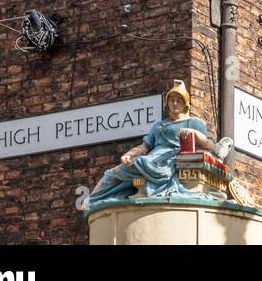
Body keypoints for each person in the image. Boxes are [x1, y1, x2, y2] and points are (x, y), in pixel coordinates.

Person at [88, 80, 229, 205]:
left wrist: (193, 134)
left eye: (178, 100)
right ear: (167, 103)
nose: (174, 103)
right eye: (171, 100)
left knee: (143, 165)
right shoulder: (159, 126)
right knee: (111, 173)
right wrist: (128, 154)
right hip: (150, 158)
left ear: (185, 104)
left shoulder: (193, 122)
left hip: (168, 160)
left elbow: (205, 142)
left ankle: (218, 149)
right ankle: (93, 201)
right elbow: (144, 146)